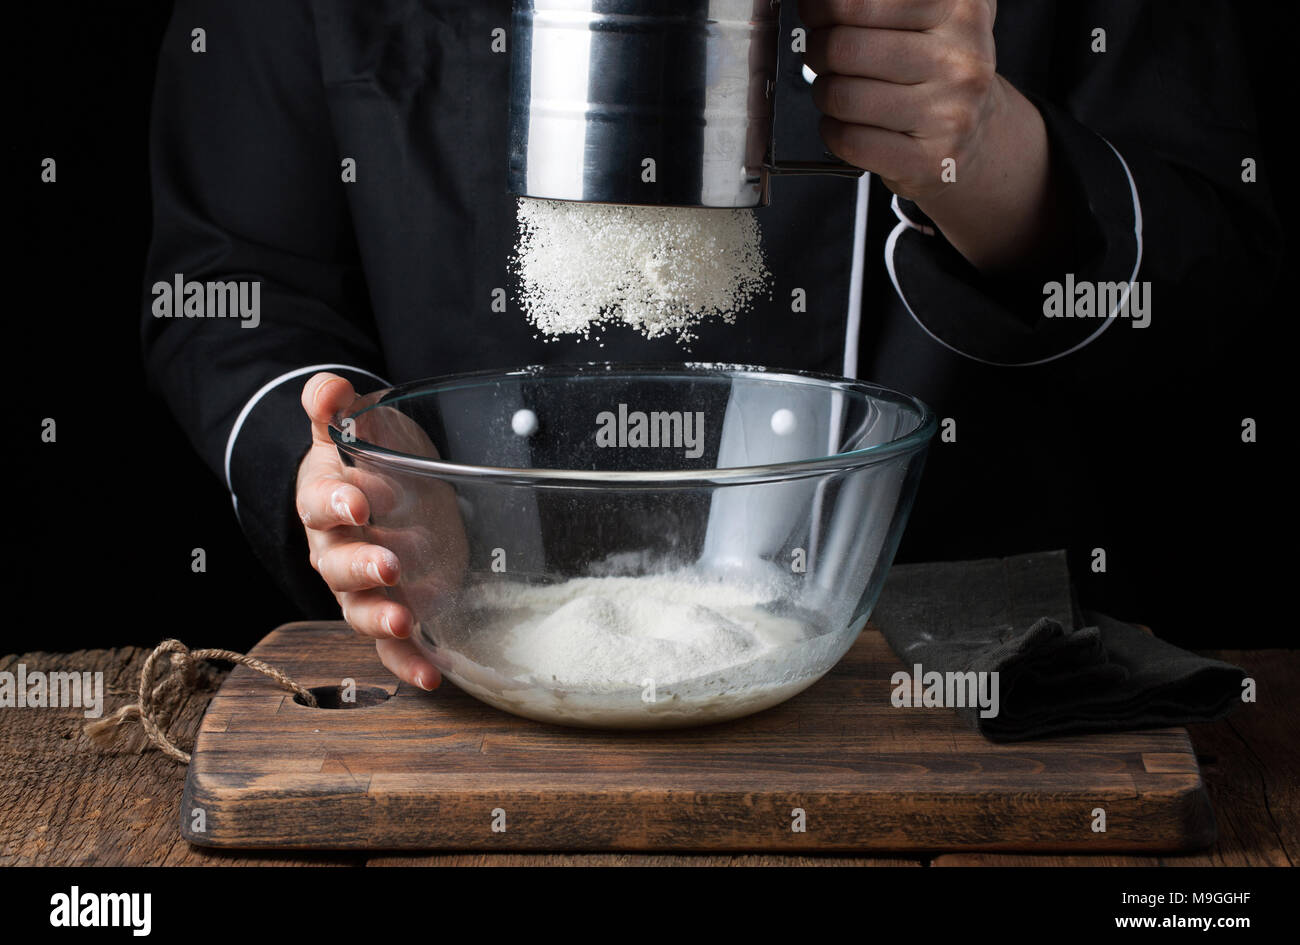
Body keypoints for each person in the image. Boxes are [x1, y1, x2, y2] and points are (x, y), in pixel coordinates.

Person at [142, 0, 1280, 690]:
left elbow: (1224, 302)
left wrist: (989, 159)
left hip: (960, 682)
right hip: (465, 658)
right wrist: (355, 470)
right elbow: (230, 282)